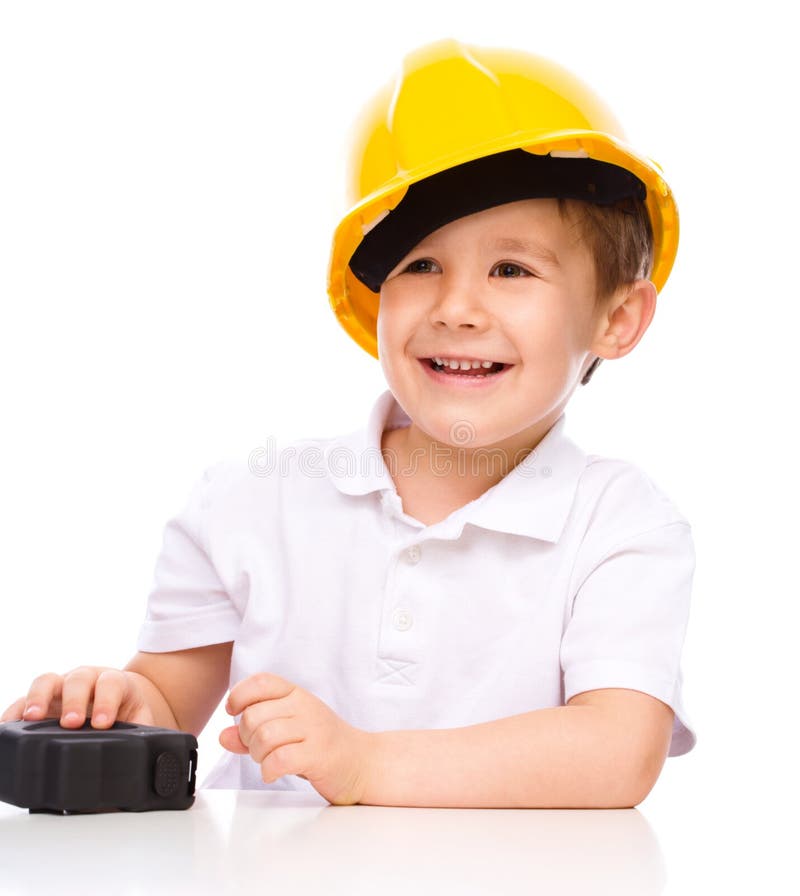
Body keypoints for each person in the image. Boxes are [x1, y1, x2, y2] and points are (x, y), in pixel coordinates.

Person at [1, 39, 696, 809]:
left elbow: (616, 752)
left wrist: (367, 765)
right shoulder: (253, 501)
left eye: (511, 269)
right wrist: (117, 708)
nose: (456, 308)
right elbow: (169, 701)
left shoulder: (620, 525)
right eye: (419, 265)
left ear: (616, 319)